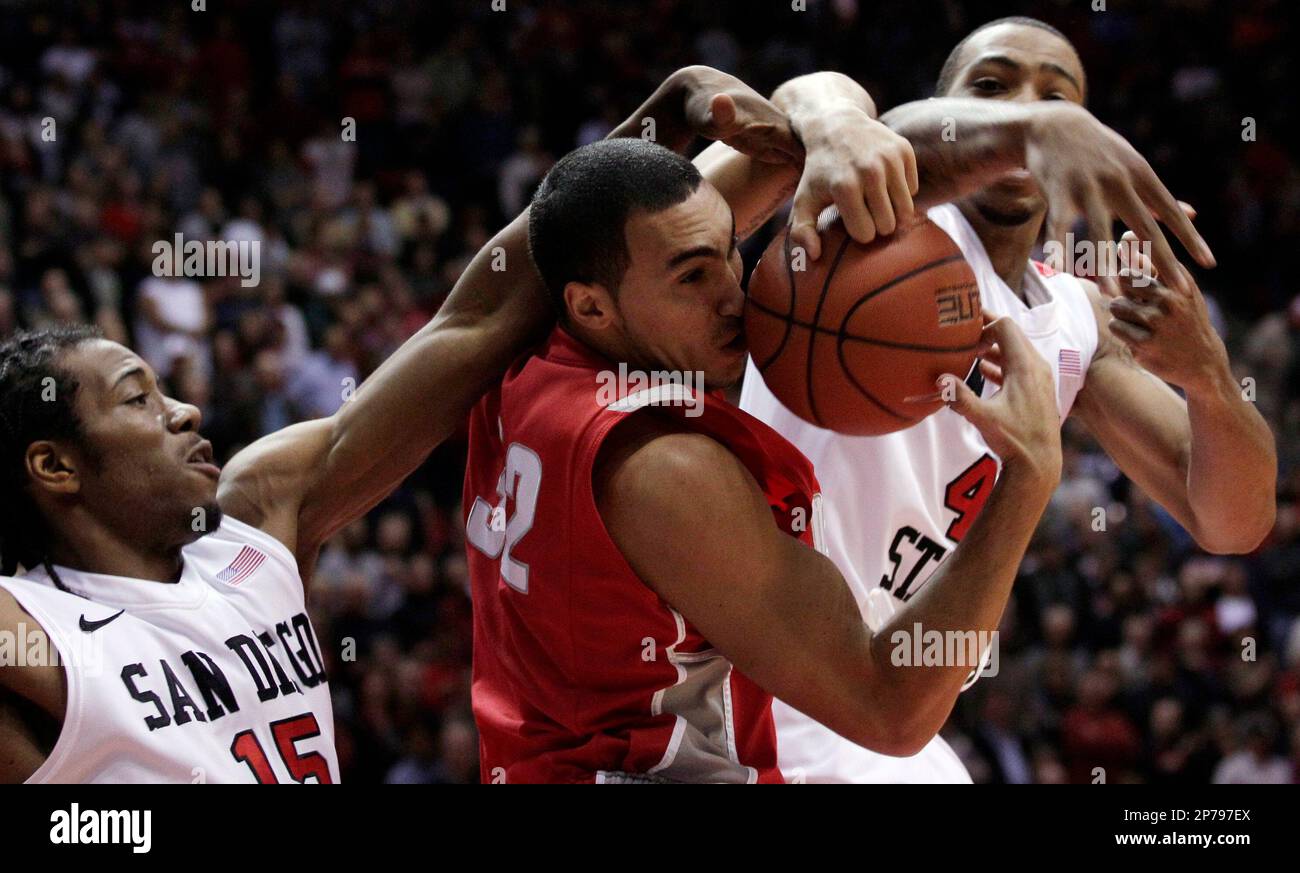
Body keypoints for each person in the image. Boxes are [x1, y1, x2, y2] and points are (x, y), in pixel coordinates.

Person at [0, 65, 799, 785]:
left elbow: (478, 321)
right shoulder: (34, 627)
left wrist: (664, 114)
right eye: (138, 398)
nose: (186, 409)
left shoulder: (252, 523)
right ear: (54, 465)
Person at [730, 16, 1277, 782]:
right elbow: (886, 137)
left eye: (1057, 96)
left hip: (886, 691)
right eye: (990, 87)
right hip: (758, 680)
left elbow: (1231, 518)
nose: (1023, 104)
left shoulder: (1078, 315)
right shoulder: (884, 222)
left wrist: (1208, 374)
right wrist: (1036, 125)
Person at [464, 116, 1072, 781]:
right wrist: (1029, 472)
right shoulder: (667, 469)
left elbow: (763, 145)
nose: (735, 294)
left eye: (732, 249)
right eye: (693, 278)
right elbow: (890, 710)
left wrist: (816, 115)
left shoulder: (521, 352)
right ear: (592, 307)